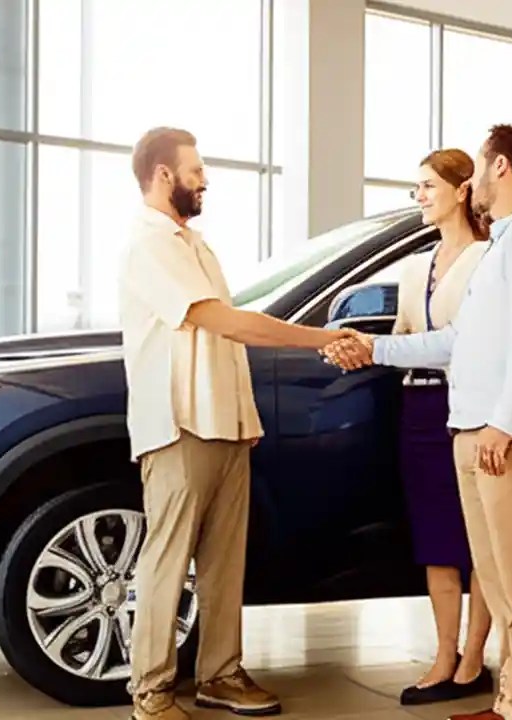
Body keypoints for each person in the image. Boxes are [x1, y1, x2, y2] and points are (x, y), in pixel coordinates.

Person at [324, 124, 512, 720]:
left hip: (504, 440)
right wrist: (375, 349)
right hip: (474, 433)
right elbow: (459, 341)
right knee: (496, 576)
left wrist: (504, 424)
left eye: (483, 164)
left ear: (502, 168)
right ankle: (508, 702)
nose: (478, 177)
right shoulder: (502, 247)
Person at [119, 126, 357, 720]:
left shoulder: (193, 244)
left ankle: (220, 675)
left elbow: (223, 341)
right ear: (163, 175)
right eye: (195, 169)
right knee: (167, 561)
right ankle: (149, 693)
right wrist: (323, 338)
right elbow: (226, 324)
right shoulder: (149, 243)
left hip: (226, 426)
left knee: (225, 566)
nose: (204, 179)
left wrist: (245, 420)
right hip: (179, 427)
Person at [393, 149, 494, 706]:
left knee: (478, 540)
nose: (422, 197)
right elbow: (406, 335)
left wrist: (397, 348)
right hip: (420, 410)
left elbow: (469, 343)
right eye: (418, 188)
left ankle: (474, 655)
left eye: (429, 186)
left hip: (469, 409)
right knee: (436, 540)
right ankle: (442, 655)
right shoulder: (414, 268)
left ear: (461, 190)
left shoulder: (487, 261)